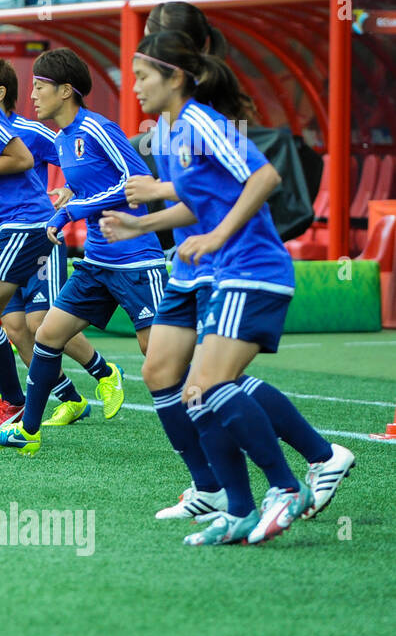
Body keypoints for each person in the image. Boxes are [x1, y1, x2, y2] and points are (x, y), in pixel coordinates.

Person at [102, 31, 354, 544]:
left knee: (207, 388)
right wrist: (138, 226)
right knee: (194, 391)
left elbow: (263, 177)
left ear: (175, 77)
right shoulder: (171, 131)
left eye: (144, 76)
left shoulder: (198, 121)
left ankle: (287, 485)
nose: (135, 88)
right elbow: (204, 202)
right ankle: (236, 506)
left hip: (250, 269)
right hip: (232, 270)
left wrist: (216, 234)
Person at [0, 48, 167, 455]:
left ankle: (217, 419)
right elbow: (95, 185)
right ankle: (28, 430)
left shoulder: (96, 128)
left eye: (41, 86)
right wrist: (71, 194)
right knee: (47, 333)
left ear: (66, 91)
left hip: (136, 261)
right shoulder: (63, 139)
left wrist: (78, 207)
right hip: (97, 261)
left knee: (159, 359)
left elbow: (139, 180)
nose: (32, 95)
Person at [0, 56, 118, 426]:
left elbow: (76, 154)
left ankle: (104, 374)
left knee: (41, 323)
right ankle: (68, 396)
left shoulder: (30, 132)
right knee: (15, 326)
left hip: (37, 235)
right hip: (0, 234)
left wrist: (68, 187)